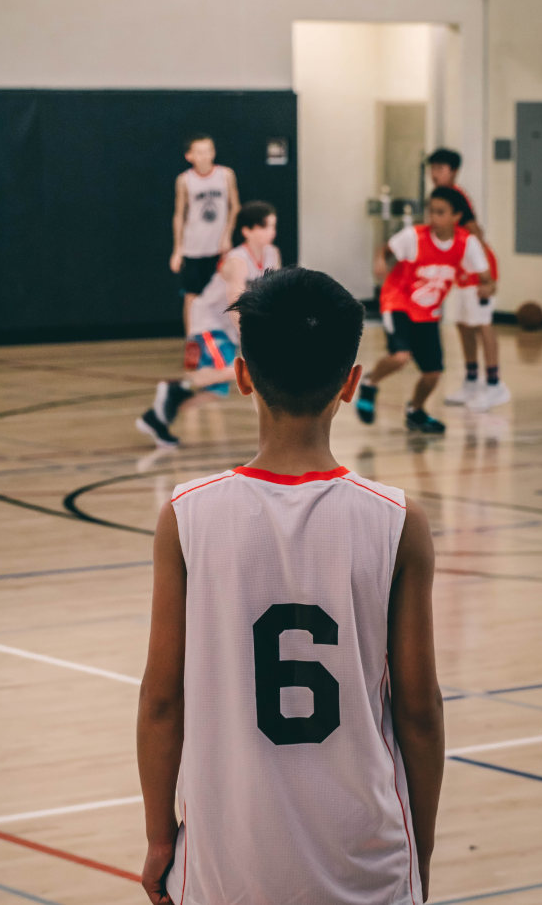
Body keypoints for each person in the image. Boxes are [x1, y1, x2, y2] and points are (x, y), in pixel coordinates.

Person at [137, 266, 444, 905]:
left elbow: (162, 701)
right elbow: (419, 710)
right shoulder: (398, 521)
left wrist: (160, 839)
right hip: (368, 867)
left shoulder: (185, 515)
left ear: (244, 375)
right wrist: (425, 847)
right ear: (351, 383)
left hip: (228, 867)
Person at [137, 202, 280, 447]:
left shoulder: (272, 254)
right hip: (209, 323)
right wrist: (251, 338)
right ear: (247, 230)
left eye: (273, 226)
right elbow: (235, 302)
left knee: (215, 391)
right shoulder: (236, 261)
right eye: (265, 227)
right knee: (244, 370)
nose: (272, 232)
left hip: (225, 329)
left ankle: (157, 418)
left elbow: (275, 294)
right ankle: (174, 388)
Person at [356, 187, 493, 434]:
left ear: (456, 216)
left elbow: (486, 277)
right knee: (401, 356)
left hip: (428, 312)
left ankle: (416, 411)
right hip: (398, 301)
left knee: (433, 374)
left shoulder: (466, 244)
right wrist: (379, 262)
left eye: (440, 212)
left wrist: (487, 287)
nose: (433, 217)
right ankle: (369, 383)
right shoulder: (414, 237)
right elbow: (384, 250)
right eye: (431, 211)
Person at [427, 148, 510, 411]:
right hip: (461, 269)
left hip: (478, 268)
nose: (434, 173)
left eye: (440, 168)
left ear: (453, 172)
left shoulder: (457, 199)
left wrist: (486, 275)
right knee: (463, 324)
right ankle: (472, 380)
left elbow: (476, 232)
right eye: (432, 168)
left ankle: (495, 384)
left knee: (482, 323)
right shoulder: (441, 198)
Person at [170, 135, 240, 333]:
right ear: (189, 156)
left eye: (208, 150)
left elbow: (235, 207)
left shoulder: (225, 175)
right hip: (193, 247)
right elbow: (179, 215)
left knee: (224, 294)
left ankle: (224, 338)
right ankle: (193, 341)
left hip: (218, 247)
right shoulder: (184, 180)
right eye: (199, 151)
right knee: (192, 295)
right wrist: (178, 250)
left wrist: (227, 235)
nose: (204, 155)